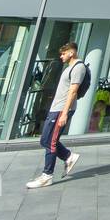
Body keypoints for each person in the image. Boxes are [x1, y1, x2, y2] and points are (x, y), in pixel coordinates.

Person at [26, 42, 87, 189]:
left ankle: (47, 176)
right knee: (45, 140)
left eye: (63, 53)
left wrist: (64, 113)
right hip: (56, 108)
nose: (61, 56)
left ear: (71, 53)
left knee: (51, 142)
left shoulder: (78, 67)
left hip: (61, 110)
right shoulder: (70, 68)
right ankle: (68, 156)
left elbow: (73, 92)